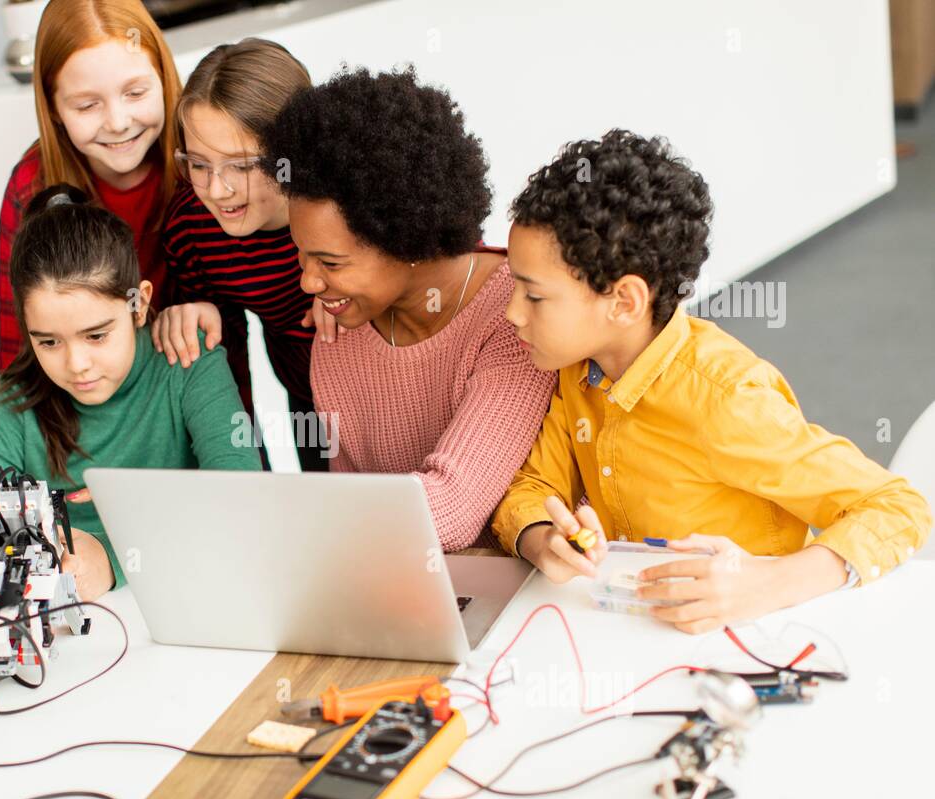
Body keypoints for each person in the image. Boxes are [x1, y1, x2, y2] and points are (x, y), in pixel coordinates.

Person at [492, 129, 932, 633]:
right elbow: (533, 484)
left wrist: (770, 583)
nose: (511, 314)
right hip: (637, 630)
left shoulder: (726, 400)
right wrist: (540, 534)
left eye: (534, 296)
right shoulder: (577, 372)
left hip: (753, 638)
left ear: (624, 302)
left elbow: (898, 507)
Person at [0, 186, 261, 600]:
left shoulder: (189, 363)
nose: (76, 365)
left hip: (184, 601)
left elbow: (241, 502)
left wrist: (110, 558)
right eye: (49, 342)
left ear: (139, 304)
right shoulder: (17, 404)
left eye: (96, 335)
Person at [257, 66, 557, 549]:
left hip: (522, 596)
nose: (308, 281)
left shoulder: (516, 319)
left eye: (331, 262)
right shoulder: (338, 337)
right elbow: (351, 502)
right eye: (302, 254)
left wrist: (294, 529)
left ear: (406, 238)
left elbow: (452, 510)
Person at [154, 38, 329, 470]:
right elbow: (227, 376)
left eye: (242, 165)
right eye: (198, 164)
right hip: (303, 391)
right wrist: (247, 471)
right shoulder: (192, 229)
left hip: (383, 392)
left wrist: (353, 293)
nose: (218, 189)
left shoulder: (340, 201)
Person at [0, 0, 183, 380]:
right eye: (87, 105)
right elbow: (18, 356)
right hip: (84, 418)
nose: (117, 122)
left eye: (135, 93)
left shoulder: (202, 164)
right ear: (54, 109)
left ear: (163, 78)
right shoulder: (31, 187)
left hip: (197, 393)